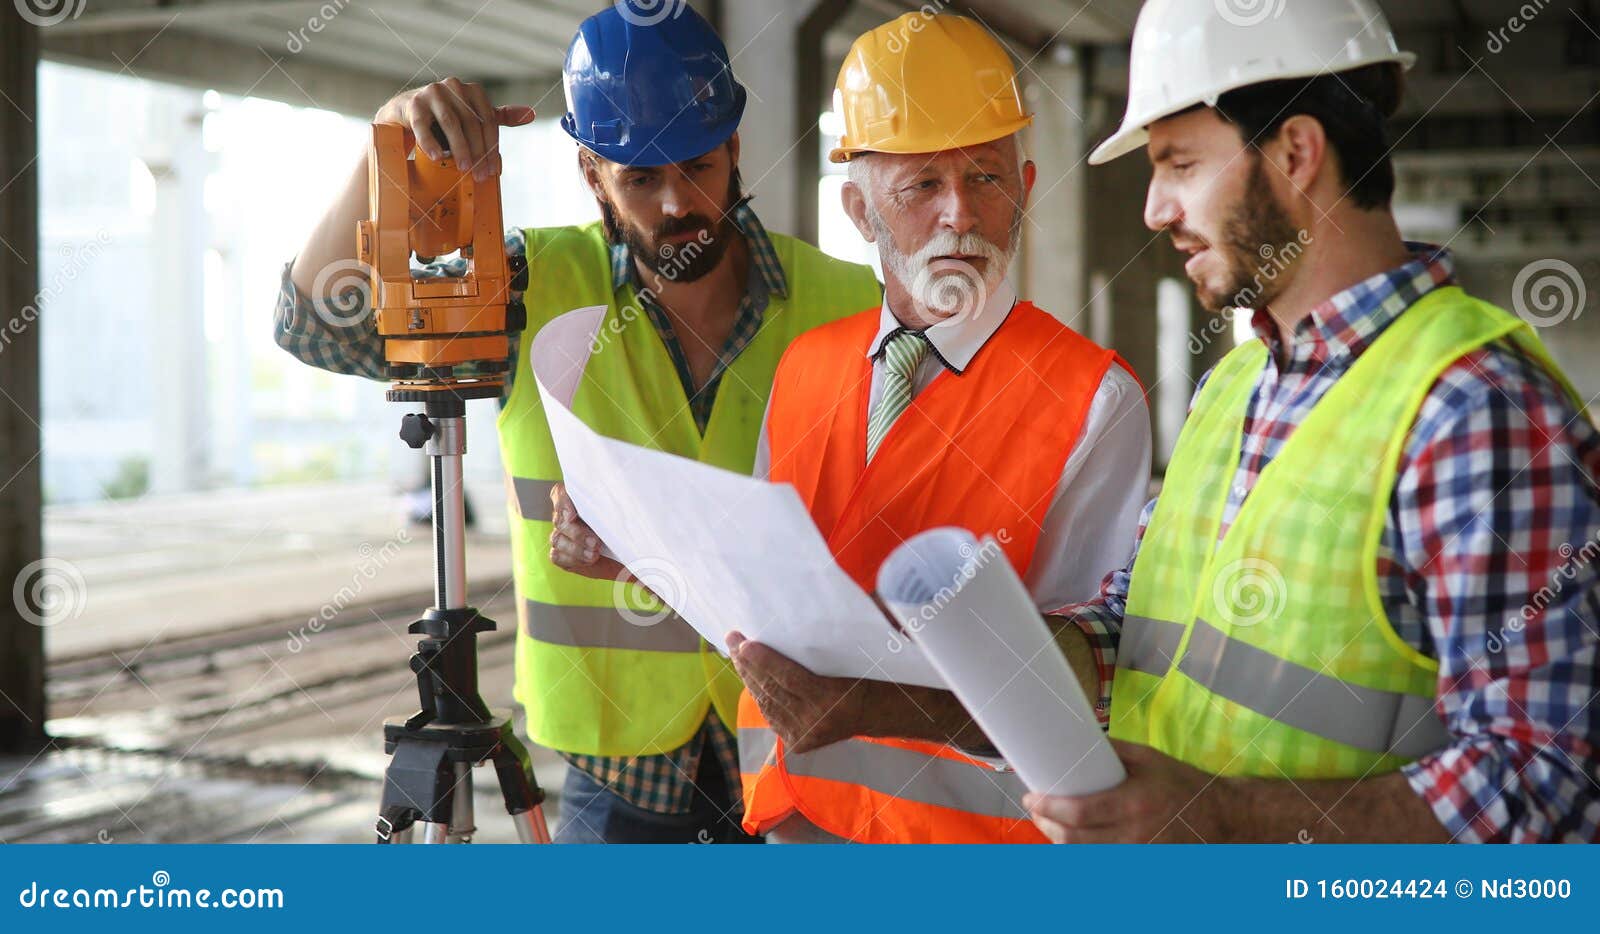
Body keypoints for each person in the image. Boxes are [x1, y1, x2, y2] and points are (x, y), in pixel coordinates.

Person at [274, 4, 881, 843]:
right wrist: (384, 145)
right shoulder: (527, 284)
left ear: (736, 148)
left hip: (802, 751)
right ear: (592, 173)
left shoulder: (852, 304)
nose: (678, 202)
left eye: (698, 165)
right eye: (639, 178)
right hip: (619, 765)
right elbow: (315, 327)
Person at [1025, 0, 1600, 843]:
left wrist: (1218, 816)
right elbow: (1153, 633)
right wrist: (1009, 655)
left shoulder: (1474, 408)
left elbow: (1554, 784)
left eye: (1179, 164)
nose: (1154, 209)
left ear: (1296, 152)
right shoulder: (1235, 384)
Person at [724, 13, 1151, 844]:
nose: (962, 214)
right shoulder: (804, 368)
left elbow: (1077, 691)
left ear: (1026, 186)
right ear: (858, 208)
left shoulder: (1092, 399)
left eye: (987, 178)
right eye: (922, 185)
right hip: (791, 819)